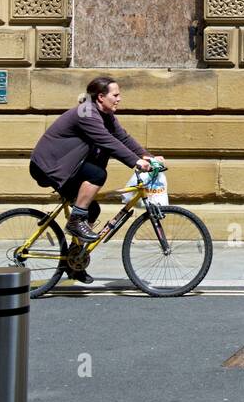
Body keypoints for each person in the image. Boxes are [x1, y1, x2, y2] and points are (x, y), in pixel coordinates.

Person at [29, 77, 164, 280]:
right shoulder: (87, 113)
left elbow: (122, 138)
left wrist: (148, 157)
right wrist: (135, 162)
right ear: (101, 97)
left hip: (67, 166)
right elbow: (106, 141)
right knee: (97, 174)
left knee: (92, 210)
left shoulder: (106, 115)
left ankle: (75, 262)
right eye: (115, 95)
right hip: (50, 165)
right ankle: (75, 220)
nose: (119, 98)